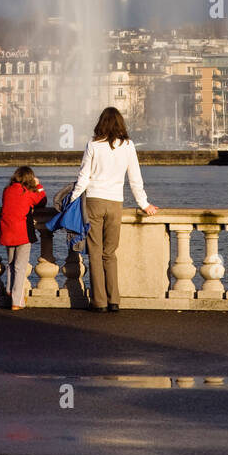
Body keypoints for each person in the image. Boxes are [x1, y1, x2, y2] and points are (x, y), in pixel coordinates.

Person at [69, 107, 157, 312]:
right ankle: (114, 300)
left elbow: (83, 177)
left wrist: (72, 200)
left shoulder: (93, 144)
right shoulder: (128, 145)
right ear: (120, 124)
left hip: (94, 201)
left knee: (95, 252)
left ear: (101, 123)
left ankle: (99, 302)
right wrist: (143, 204)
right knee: (110, 253)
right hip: (115, 202)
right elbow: (135, 178)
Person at [0, 166, 47, 310]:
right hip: (22, 233)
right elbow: (42, 201)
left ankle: (9, 289)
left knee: (11, 263)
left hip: (7, 231)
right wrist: (38, 185)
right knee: (20, 267)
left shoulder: (7, 190)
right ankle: (17, 301)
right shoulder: (27, 193)